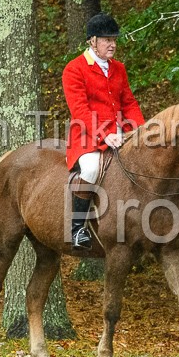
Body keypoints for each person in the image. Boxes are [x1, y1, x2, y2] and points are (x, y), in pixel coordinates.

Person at [62, 13, 145, 249]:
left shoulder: (119, 68)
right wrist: (104, 135)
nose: (113, 45)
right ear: (93, 41)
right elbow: (80, 110)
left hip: (121, 133)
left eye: (114, 40)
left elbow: (129, 102)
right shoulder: (74, 69)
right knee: (91, 168)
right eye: (107, 40)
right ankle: (78, 229)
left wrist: (141, 130)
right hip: (87, 136)